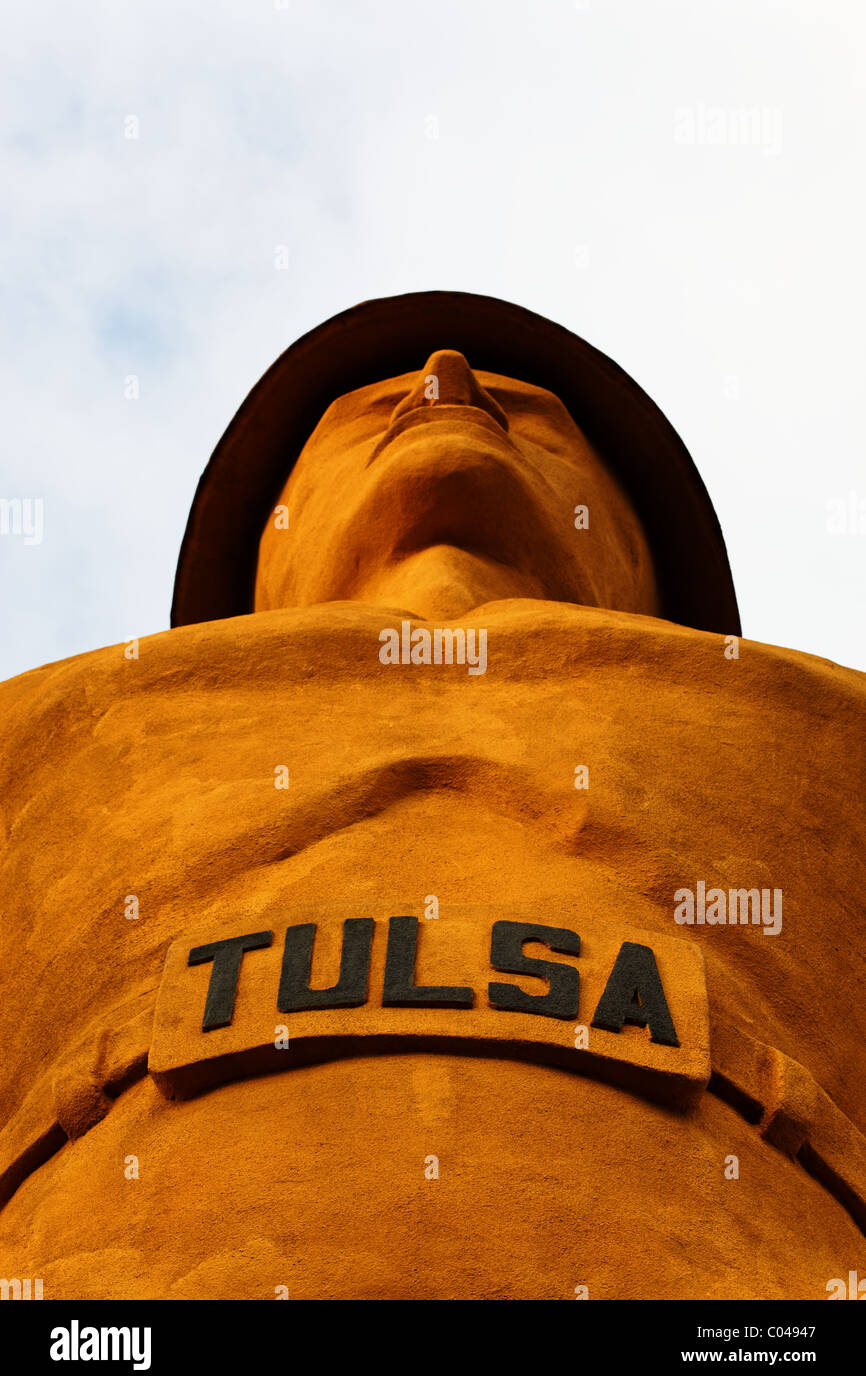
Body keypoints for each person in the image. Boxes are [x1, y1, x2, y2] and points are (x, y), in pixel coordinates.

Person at [0, 292, 863, 1300]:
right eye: (371, 409)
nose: (444, 384)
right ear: (264, 552)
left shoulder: (822, 733)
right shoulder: (55, 734)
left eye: (527, 412)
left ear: (642, 564)